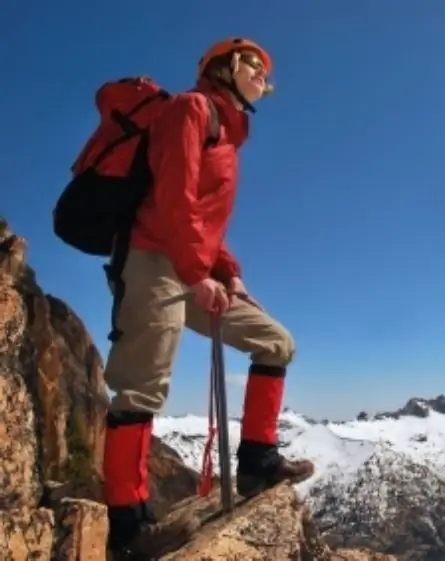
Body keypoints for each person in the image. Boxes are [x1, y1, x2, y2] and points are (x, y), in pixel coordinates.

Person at [102, 37, 315, 557]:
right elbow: (174, 196)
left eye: (267, 74)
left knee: (276, 343)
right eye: (257, 68)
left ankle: (258, 461)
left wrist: (230, 273)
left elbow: (205, 221)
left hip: (194, 265)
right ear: (227, 67)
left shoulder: (229, 139)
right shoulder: (190, 109)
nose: (265, 80)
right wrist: (199, 272)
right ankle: (127, 520)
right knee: (143, 385)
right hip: (153, 258)